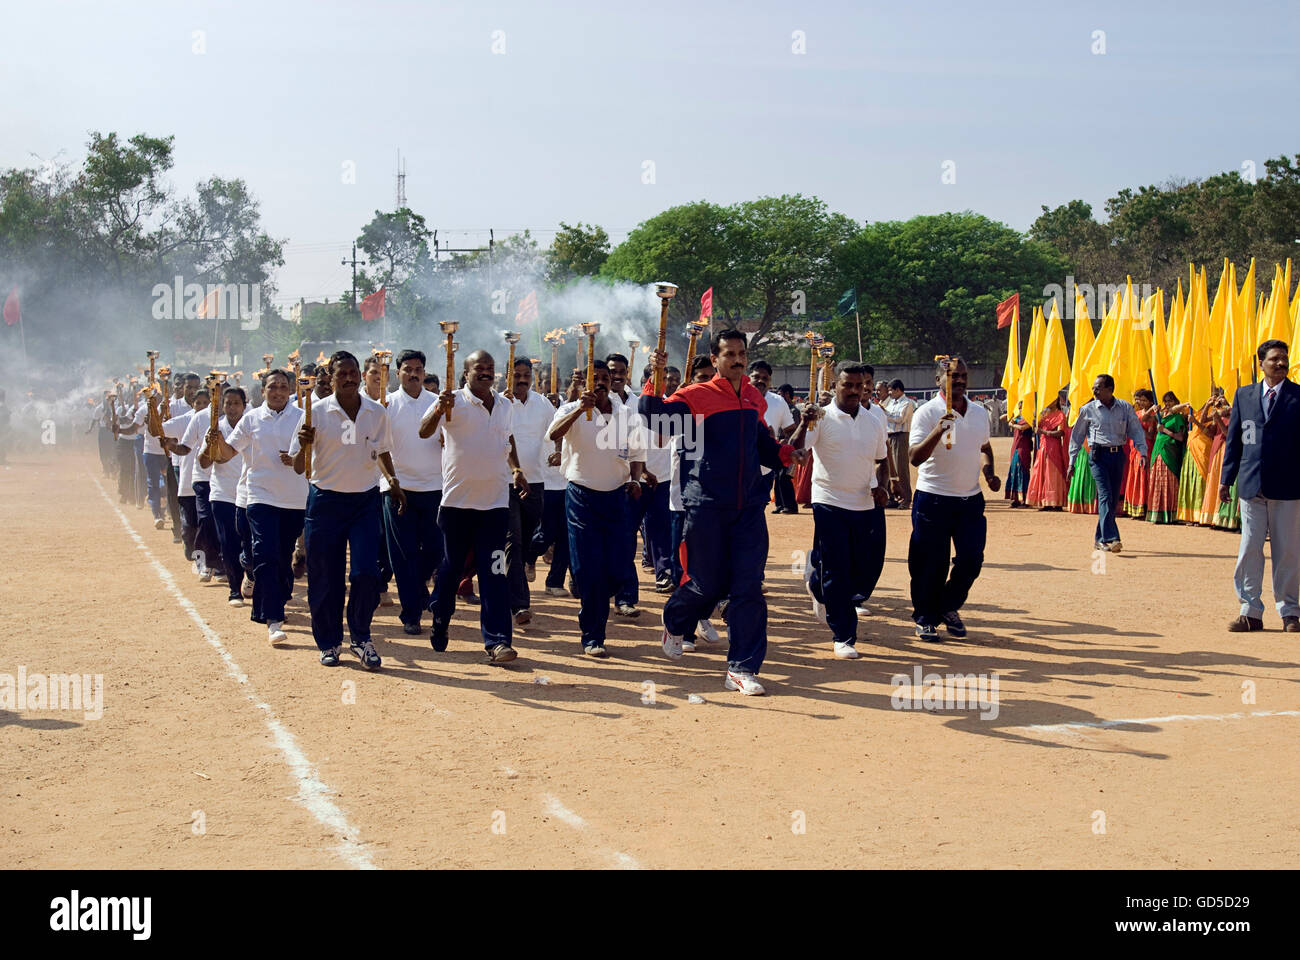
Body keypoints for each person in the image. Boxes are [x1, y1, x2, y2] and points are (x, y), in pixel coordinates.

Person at [639, 330, 802, 695]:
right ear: (715, 359)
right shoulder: (697, 396)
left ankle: (742, 668)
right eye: (729, 353)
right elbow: (656, 418)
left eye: (741, 353)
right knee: (704, 585)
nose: (738, 359)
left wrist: (784, 455)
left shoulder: (751, 396)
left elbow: (760, 443)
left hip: (749, 507)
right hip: (706, 506)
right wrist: (655, 378)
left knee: (748, 588)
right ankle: (675, 618)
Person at [286, 352, 404, 668]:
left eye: (354, 372)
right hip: (325, 502)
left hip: (364, 502)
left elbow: (381, 450)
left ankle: (361, 637)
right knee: (326, 577)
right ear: (331, 377)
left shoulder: (376, 412)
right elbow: (299, 467)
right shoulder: (315, 412)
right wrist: (303, 442)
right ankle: (329, 642)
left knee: (366, 572)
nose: (350, 378)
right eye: (343, 374)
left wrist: (392, 479)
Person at [421, 350, 528, 662]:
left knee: (495, 573)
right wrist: (438, 409)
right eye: (479, 368)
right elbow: (424, 430)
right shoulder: (452, 402)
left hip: (495, 506)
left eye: (490, 368)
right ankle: (440, 616)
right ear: (465, 373)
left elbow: (507, 440)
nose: (485, 373)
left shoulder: (505, 404)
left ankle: (497, 642)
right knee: (451, 570)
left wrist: (517, 468)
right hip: (457, 505)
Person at [789, 362, 888, 659]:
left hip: (865, 504)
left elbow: (883, 460)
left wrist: (883, 485)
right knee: (838, 569)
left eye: (860, 385)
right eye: (849, 385)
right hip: (829, 501)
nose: (856, 391)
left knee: (866, 566)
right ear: (835, 387)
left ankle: (816, 584)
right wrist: (803, 423)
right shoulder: (821, 418)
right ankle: (844, 635)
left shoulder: (874, 420)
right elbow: (795, 452)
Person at [548, 359, 647, 656]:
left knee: (617, 567)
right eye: (596, 378)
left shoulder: (627, 414)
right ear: (587, 381)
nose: (602, 382)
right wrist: (580, 408)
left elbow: (638, 453)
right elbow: (553, 435)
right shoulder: (572, 409)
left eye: (606, 377)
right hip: (581, 497)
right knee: (588, 569)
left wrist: (636, 480)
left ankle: (598, 590)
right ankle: (593, 636)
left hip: (616, 497)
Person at [204, 370, 308, 646]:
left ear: (290, 390)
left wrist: (297, 459)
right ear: (263, 390)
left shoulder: (302, 417)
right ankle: (274, 619)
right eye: (272, 387)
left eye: (284, 387)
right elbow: (227, 454)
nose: (278, 392)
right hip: (260, 496)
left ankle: (268, 605)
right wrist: (215, 441)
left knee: (282, 557)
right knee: (264, 553)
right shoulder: (251, 419)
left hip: (294, 499)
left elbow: (312, 455)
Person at [907, 357, 1000, 641]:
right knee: (931, 564)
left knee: (971, 560)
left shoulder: (978, 413)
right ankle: (925, 617)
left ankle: (947, 606)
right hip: (933, 499)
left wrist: (990, 472)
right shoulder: (926, 412)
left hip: (969, 500)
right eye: (951, 376)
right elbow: (914, 458)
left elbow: (984, 446)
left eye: (962, 375)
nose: (958, 380)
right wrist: (938, 430)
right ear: (938, 380)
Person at [1220, 339, 1300, 633]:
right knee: (1249, 549)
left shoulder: (1298, 396)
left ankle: (1290, 612)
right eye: (1275, 359)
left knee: (1288, 551)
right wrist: (1226, 479)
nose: (1281, 364)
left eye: (1285, 359)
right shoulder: (1244, 395)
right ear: (1261, 363)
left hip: (1290, 487)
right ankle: (1250, 611)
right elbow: (1235, 441)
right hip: (1251, 485)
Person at [382, 349, 445, 635]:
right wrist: (391, 480)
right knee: (404, 553)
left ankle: (418, 589)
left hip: (434, 487)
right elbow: (380, 448)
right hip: (399, 488)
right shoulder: (387, 404)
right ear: (398, 373)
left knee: (434, 549)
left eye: (418, 368)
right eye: (407, 369)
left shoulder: (438, 404)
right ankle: (411, 614)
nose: (413, 373)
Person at [1068, 374, 1148, 553]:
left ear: (1110, 389)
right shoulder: (1088, 409)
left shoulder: (1125, 408)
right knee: (1105, 496)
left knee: (1112, 501)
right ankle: (1112, 538)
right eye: (1094, 387)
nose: (1094, 391)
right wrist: (1071, 462)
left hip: (1118, 456)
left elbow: (1136, 430)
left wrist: (1143, 452)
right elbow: (1077, 436)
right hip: (1098, 457)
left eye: (1098, 387)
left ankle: (1099, 538)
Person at [504, 357, 551, 626]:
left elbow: (555, 434)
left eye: (526, 375)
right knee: (513, 540)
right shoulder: (499, 403)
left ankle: (515, 579)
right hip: (505, 483)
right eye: (517, 374)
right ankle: (519, 604)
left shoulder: (543, 404)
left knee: (526, 542)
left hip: (536, 483)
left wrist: (557, 456)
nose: (521, 380)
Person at [199, 386, 248, 605]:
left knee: (250, 544)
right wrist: (210, 444)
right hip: (222, 494)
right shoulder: (215, 428)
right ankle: (234, 589)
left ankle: (251, 575)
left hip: (249, 494)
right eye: (227, 403)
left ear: (244, 405)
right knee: (228, 543)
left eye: (236, 403)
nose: (232, 407)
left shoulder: (251, 425)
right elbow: (203, 463)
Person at [749, 360, 796, 514]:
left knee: (757, 511)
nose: (761, 381)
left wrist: (781, 444)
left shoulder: (778, 401)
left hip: (766, 470)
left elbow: (790, 429)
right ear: (748, 377)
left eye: (765, 378)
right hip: (739, 468)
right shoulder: (737, 397)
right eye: (756, 377)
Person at [1145, 392, 1186, 524]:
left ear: (1176, 402)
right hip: (1158, 451)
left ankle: (1170, 514)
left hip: (1169, 453)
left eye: (1170, 401)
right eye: (1165, 401)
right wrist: (1153, 408)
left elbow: (1180, 437)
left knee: (1168, 481)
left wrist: (1165, 431)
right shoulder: (1161, 415)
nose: (1167, 404)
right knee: (1156, 480)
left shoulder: (1177, 417)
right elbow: (1144, 419)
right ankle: (1156, 513)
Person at [1176, 396, 1216, 525]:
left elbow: (1209, 433)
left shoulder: (1213, 412)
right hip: (1191, 450)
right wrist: (1187, 402)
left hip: (1203, 449)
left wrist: (1196, 421)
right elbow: (1172, 410)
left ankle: (1201, 515)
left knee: (1200, 480)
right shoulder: (1193, 411)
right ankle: (1189, 515)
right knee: (1189, 479)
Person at [1026, 395, 1068, 510]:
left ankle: (1056, 502)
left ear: (1056, 401)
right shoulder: (1044, 415)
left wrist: (1044, 432)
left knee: (1053, 473)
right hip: (1043, 446)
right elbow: (1036, 427)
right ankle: (1045, 501)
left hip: (1053, 447)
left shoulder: (1060, 415)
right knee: (1042, 472)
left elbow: (1060, 433)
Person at [1198, 392, 1233, 527]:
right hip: (1216, 447)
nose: (1221, 400)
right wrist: (1207, 405)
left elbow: (1228, 433)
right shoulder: (1219, 412)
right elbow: (1203, 421)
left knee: (1222, 481)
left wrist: (1218, 418)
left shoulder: (1233, 412)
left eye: (1223, 398)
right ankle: (1211, 515)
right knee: (1214, 479)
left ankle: (1222, 517)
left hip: (1225, 448)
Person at [1123, 390, 1158, 518]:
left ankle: (1144, 507)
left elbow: (1150, 434)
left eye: (1144, 400)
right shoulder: (1136, 413)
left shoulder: (1153, 415)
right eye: (1140, 400)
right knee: (1134, 477)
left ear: (1150, 401)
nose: (1141, 403)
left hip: (1145, 449)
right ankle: (1134, 508)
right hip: (1134, 450)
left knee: (1143, 477)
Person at [882, 379, 915, 509]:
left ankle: (906, 499)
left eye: (891, 390)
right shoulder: (891, 403)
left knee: (901, 468)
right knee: (890, 469)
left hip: (901, 436)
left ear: (898, 390)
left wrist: (885, 412)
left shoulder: (907, 403)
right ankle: (893, 498)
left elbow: (900, 419)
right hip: (890, 435)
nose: (889, 393)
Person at [1004, 404, 1033, 507]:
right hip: (1015, 447)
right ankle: (1016, 499)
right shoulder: (1017, 418)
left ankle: (1025, 499)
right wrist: (1011, 415)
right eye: (1020, 408)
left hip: (1023, 448)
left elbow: (1023, 427)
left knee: (1023, 471)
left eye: (1023, 408)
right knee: (1014, 471)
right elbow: (1003, 418)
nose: (1021, 410)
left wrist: (1012, 424)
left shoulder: (1029, 419)